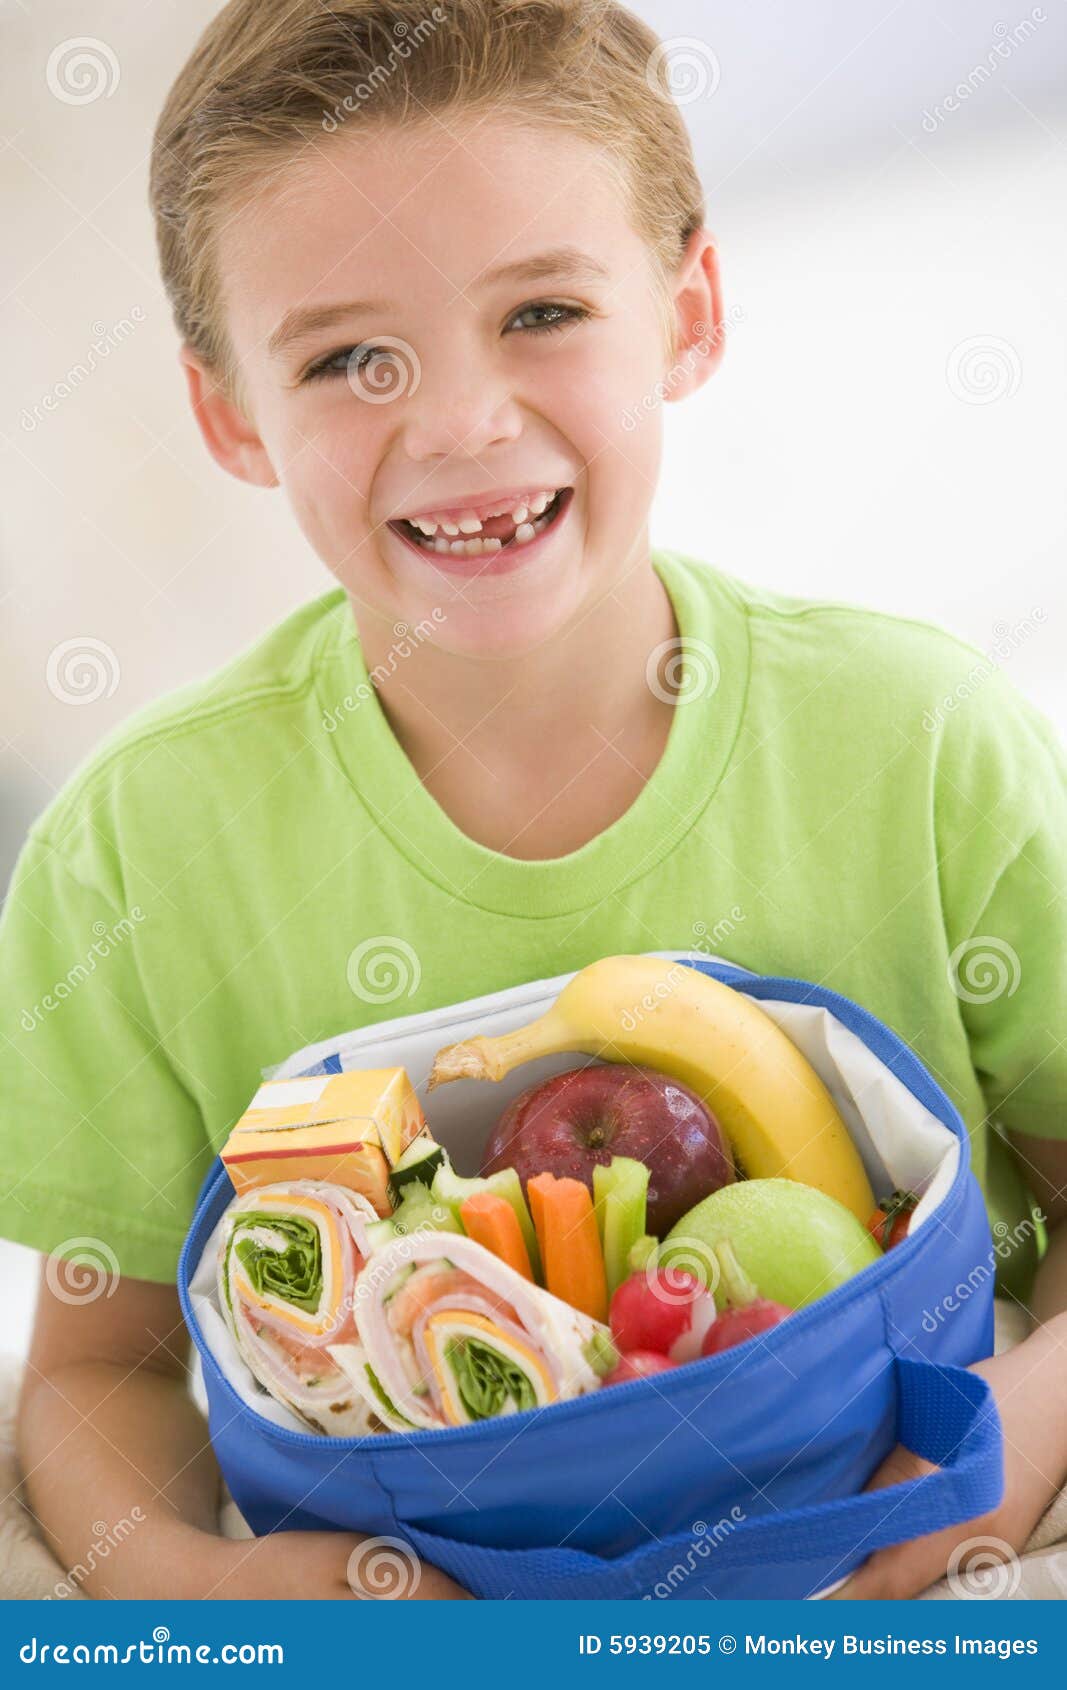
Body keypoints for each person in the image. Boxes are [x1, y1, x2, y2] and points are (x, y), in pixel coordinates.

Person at [2, 0, 1065, 1602]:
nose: (460, 425)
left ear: (690, 311)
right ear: (229, 409)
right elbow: (101, 1368)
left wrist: (952, 1498)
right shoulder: (135, 853)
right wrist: (213, 1586)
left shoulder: (925, 746)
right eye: (350, 356)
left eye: (545, 309)